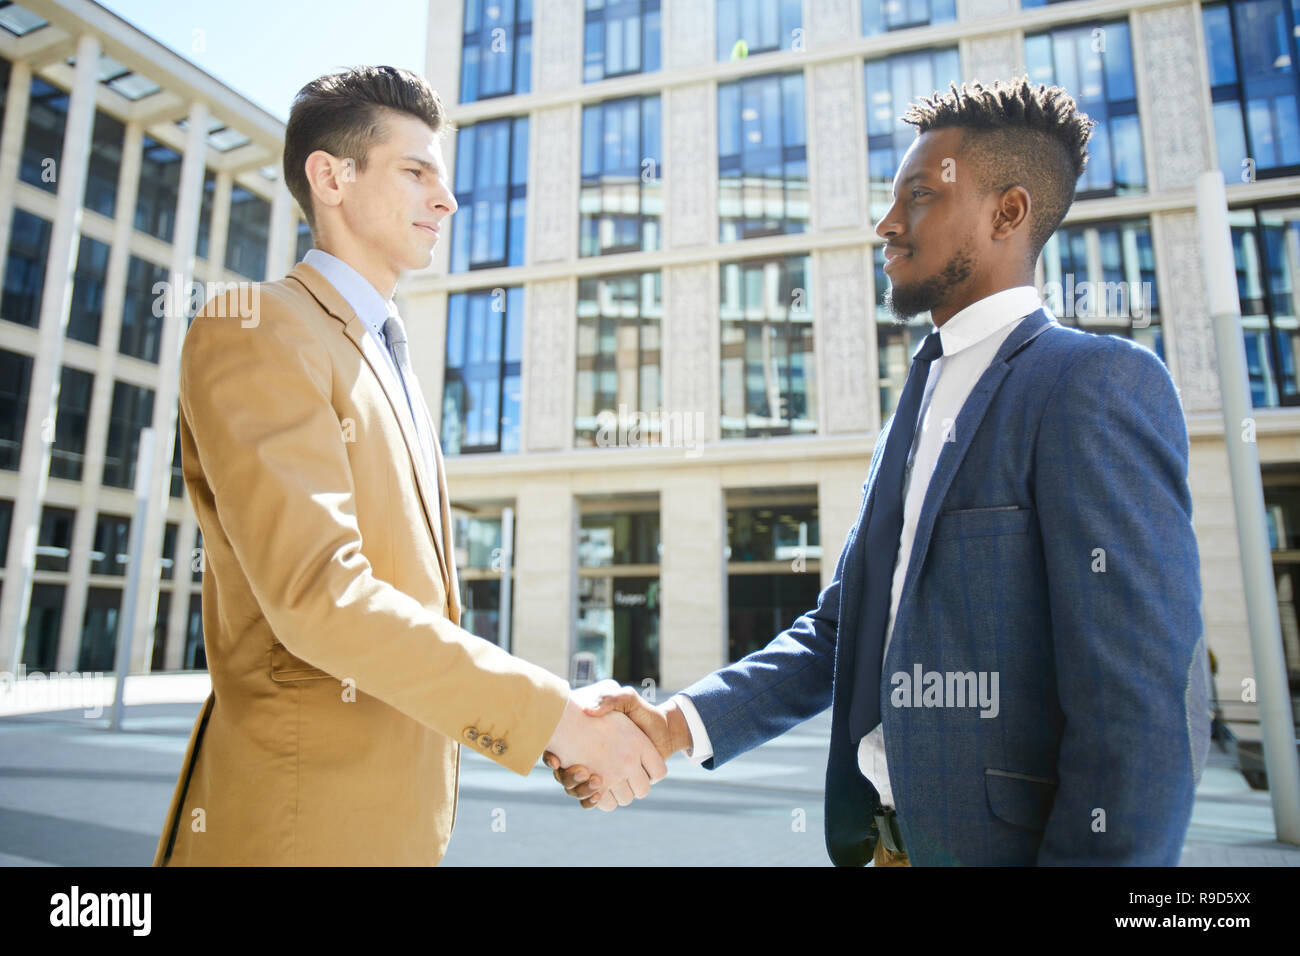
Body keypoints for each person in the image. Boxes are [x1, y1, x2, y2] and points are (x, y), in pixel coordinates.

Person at [548, 76, 1213, 866]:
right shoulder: (917, 402)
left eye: (921, 198)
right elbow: (844, 630)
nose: (886, 223)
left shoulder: (1092, 385)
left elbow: (1138, 710)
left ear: (1008, 213)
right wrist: (675, 724)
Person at [153, 66, 664, 866]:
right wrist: (556, 721)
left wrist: (561, 712)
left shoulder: (386, 359)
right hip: (296, 834)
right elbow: (323, 597)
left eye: (444, 177)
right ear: (331, 177)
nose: (447, 200)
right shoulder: (258, 327)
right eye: (416, 171)